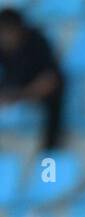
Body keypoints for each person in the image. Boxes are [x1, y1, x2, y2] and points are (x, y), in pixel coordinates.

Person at [0, 7, 64, 151]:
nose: (4, 38)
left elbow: (50, 79)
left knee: (53, 100)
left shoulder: (37, 43)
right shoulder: (3, 47)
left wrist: (23, 95)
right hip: (16, 91)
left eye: (6, 32)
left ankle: (50, 149)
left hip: (42, 94)